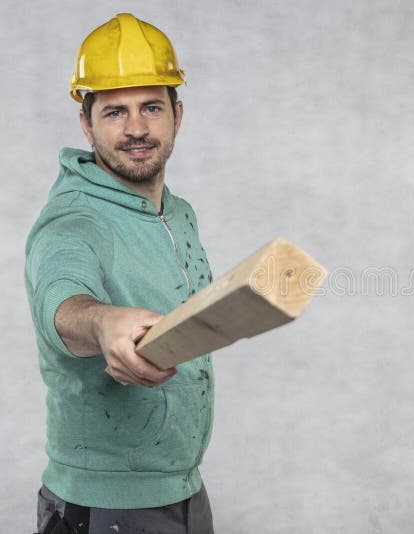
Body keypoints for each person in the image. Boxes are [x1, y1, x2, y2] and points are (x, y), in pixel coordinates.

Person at [25, 13, 215, 533]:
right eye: (114, 112)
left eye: (151, 107)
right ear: (86, 124)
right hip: (107, 508)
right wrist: (103, 323)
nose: (135, 129)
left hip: (183, 489)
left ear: (178, 114)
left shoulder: (177, 213)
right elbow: (62, 299)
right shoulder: (74, 218)